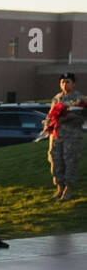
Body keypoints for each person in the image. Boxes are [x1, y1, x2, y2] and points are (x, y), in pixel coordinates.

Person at [47, 72, 86, 201]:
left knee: (70, 162)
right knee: (55, 161)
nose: (65, 84)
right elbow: (50, 115)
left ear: (73, 84)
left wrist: (67, 117)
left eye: (67, 81)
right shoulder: (56, 98)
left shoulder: (80, 99)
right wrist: (47, 124)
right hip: (56, 136)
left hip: (72, 136)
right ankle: (59, 188)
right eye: (62, 82)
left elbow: (82, 117)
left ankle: (68, 190)